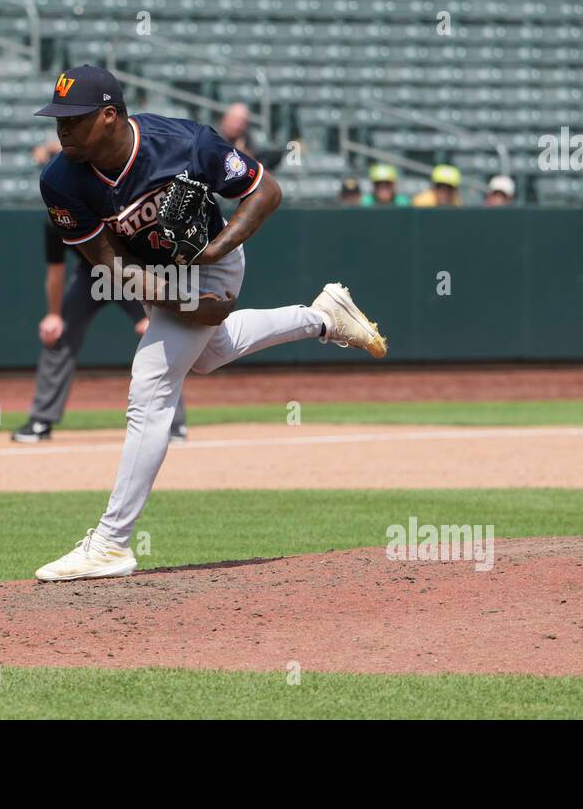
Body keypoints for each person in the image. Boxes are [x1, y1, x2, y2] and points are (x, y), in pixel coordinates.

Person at [31, 65, 387, 581]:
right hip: (154, 275)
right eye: (58, 118)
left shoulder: (186, 144)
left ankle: (111, 543)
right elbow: (108, 262)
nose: (62, 130)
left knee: (151, 387)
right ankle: (322, 317)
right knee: (211, 352)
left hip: (211, 263)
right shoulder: (60, 181)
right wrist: (177, 302)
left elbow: (266, 192)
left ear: (109, 116)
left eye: (74, 119)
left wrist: (209, 254)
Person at [13, 219, 189, 445]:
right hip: (91, 274)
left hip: (130, 271)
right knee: (58, 334)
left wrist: (149, 307)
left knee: (157, 336)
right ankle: (40, 421)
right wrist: (54, 315)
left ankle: (174, 424)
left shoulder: (109, 206)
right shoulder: (55, 222)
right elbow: (56, 270)